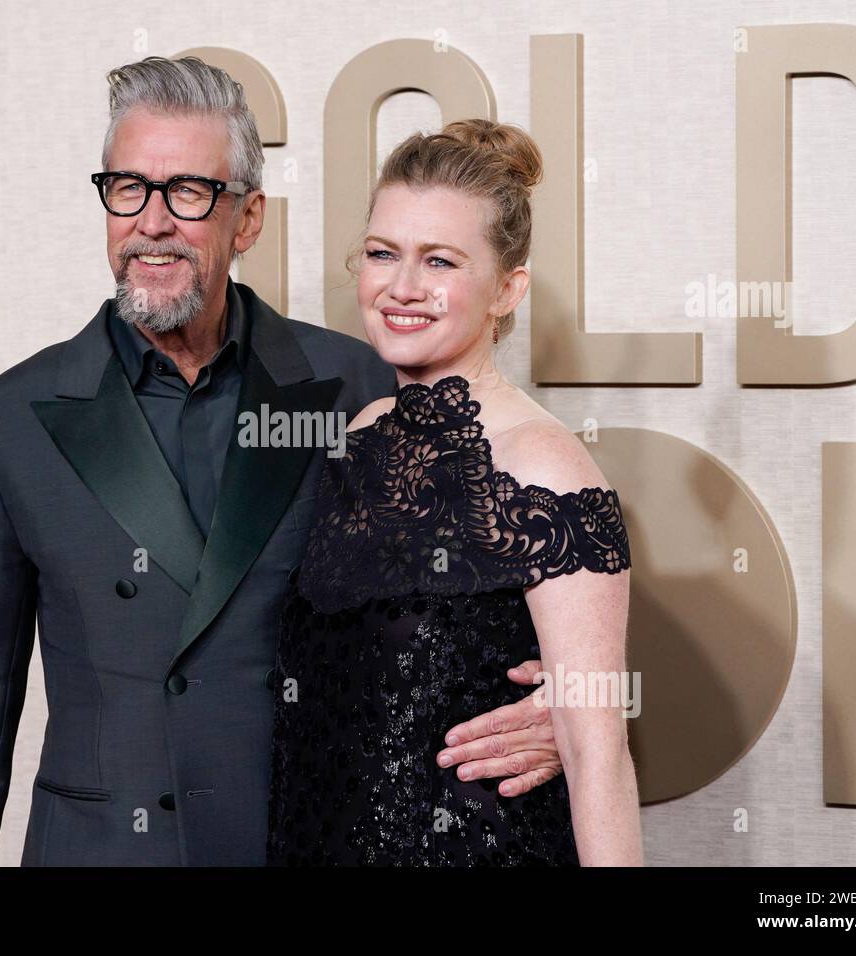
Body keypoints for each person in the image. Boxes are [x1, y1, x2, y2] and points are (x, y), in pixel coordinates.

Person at [0, 57, 564, 867]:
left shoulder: (362, 391)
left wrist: (570, 707)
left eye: (189, 193)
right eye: (128, 188)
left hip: (306, 843)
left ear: (247, 220)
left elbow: (497, 605)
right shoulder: (7, 423)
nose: (152, 221)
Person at [266, 120, 641, 865]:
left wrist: (566, 718)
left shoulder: (547, 469)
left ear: (507, 290)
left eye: (439, 261)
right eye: (382, 253)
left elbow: (600, 756)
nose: (402, 288)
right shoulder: (359, 436)